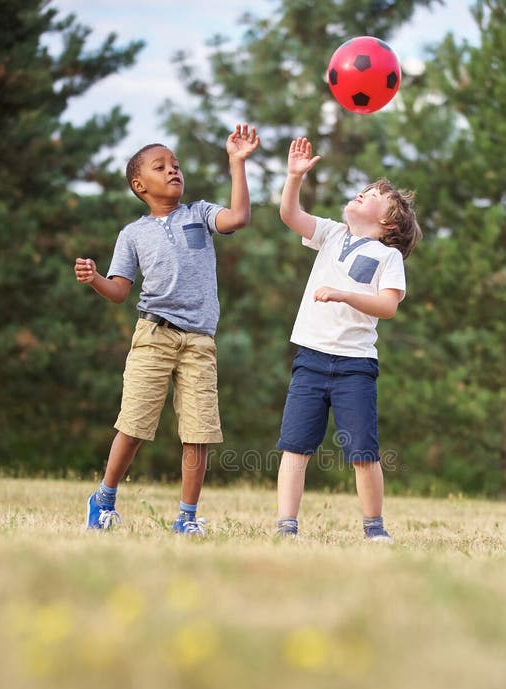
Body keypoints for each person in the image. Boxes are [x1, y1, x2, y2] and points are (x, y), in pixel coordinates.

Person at [75, 124, 260, 534]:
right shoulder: (133, 234)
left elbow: (240, 217)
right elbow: (120, 290)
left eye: (175, 165)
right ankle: (104, 498)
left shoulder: (200, 214)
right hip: (154, 336)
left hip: (199, 342)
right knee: (135, 424)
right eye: (161, 167)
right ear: (140, 185)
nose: (173, 170)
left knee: (198, 431)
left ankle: (186, 518)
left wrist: (237, 163)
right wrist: (94, 280)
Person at [275, 136, 422, 542]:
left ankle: (374, 529)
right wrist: (293, 177)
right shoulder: (332, 234)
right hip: (310, 360)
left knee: (363, 452)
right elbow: (290, 214)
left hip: (354, 365)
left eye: (373, 195)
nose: (362, 194)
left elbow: (387, 306)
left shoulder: (387, 258)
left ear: (388, 223)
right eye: (363, 190)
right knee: (295, 447)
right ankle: (286, 527)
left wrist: (342, 294)